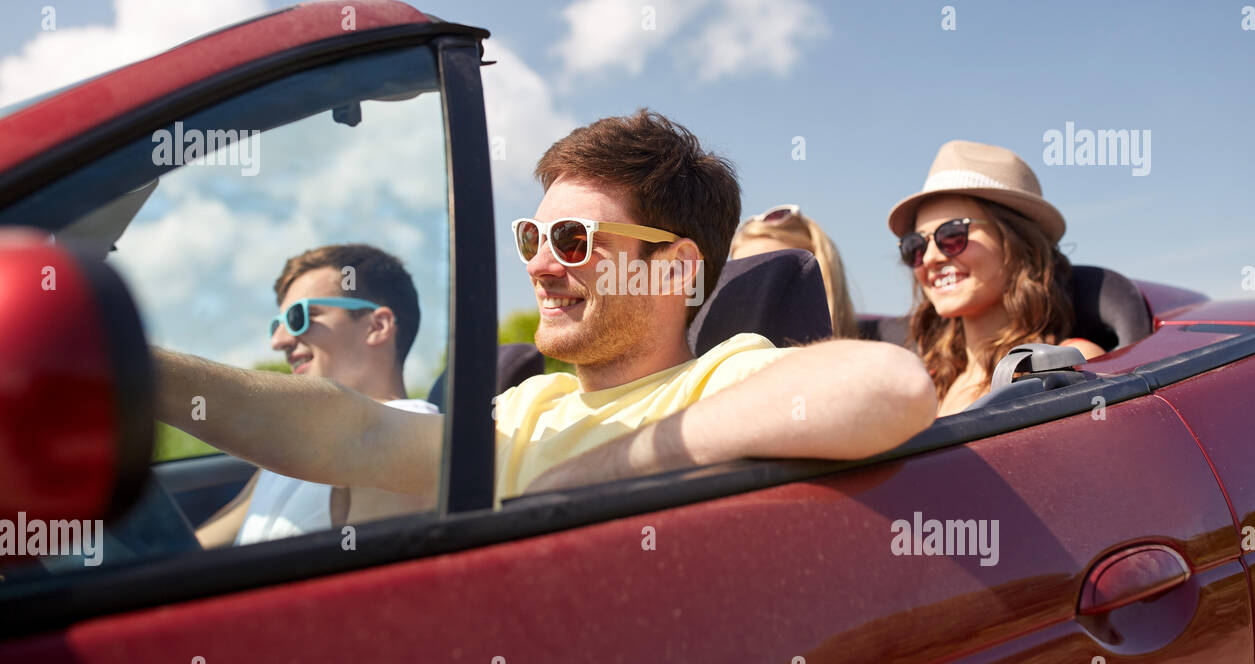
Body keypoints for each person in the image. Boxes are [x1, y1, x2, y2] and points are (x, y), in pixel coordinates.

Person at [156, 110, 936, 513]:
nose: (536, 261)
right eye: (533, 234)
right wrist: (131, 368)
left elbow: (892, 389)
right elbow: (351, 429)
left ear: (675, 266)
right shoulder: (529, 405)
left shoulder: (724, 377)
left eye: (572, 239)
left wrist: (610, 465)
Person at [194, 244, 438, 548]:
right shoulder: (288, 451)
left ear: (377, 326)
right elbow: (194, 550)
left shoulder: (414, 432)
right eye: (277, 324)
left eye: (300, 316)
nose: (278, 341)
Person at [887, 140, 1106, 417]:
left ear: (1018, 245)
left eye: (953, 235)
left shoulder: (1067, 365)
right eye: (915, 245)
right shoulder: (929, 381)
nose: (930, 258)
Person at [730, 204, 858, 339]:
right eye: (739, 279)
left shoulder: (873, 352)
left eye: (775, 275)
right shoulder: (711, 354)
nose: (754, 294)